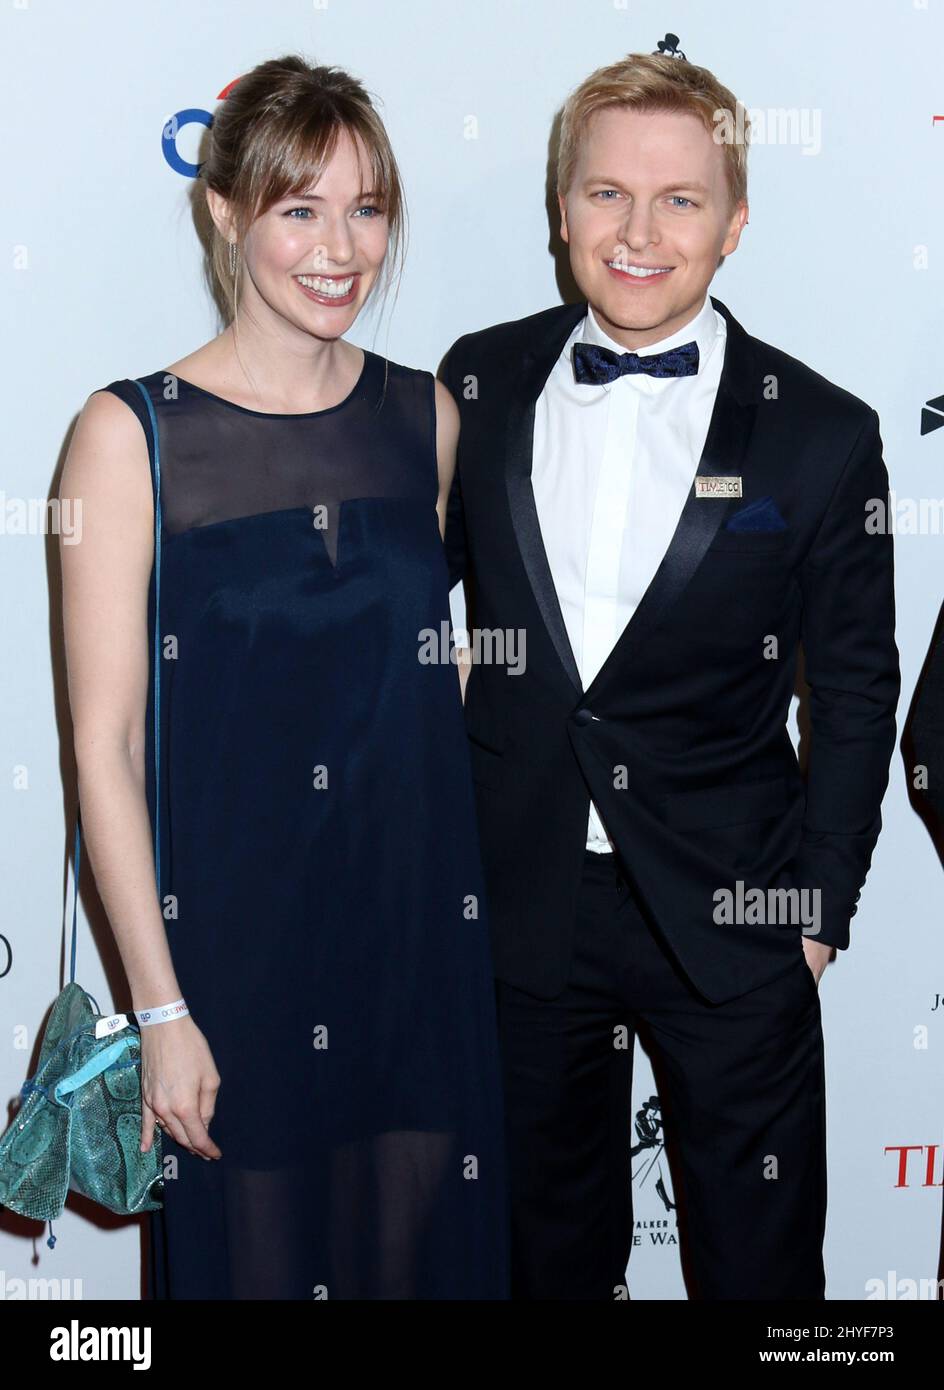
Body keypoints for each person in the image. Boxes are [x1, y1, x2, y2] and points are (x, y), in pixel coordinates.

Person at [440, 49, 900, 1299]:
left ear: (734, 221)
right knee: (542, 1260)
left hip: (732, 909)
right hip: (519, 897)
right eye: (605, 195)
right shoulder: (474, 384)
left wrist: (815, 909)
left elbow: (855, 693)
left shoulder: (820, 429)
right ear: (559, 208)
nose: (637, 233)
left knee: (758, 1273)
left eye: (679, 200)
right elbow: (392, 620)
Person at [58, 54, 509, 1300]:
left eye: (365, 209)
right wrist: (161, 1010)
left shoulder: (426, 418)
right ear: (224, 213)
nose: (339, 247)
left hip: (412, 937)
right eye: (297, 208)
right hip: (233, 958)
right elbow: (103, 750)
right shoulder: (126, 434)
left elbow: (444, 672)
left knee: (415, 1269)